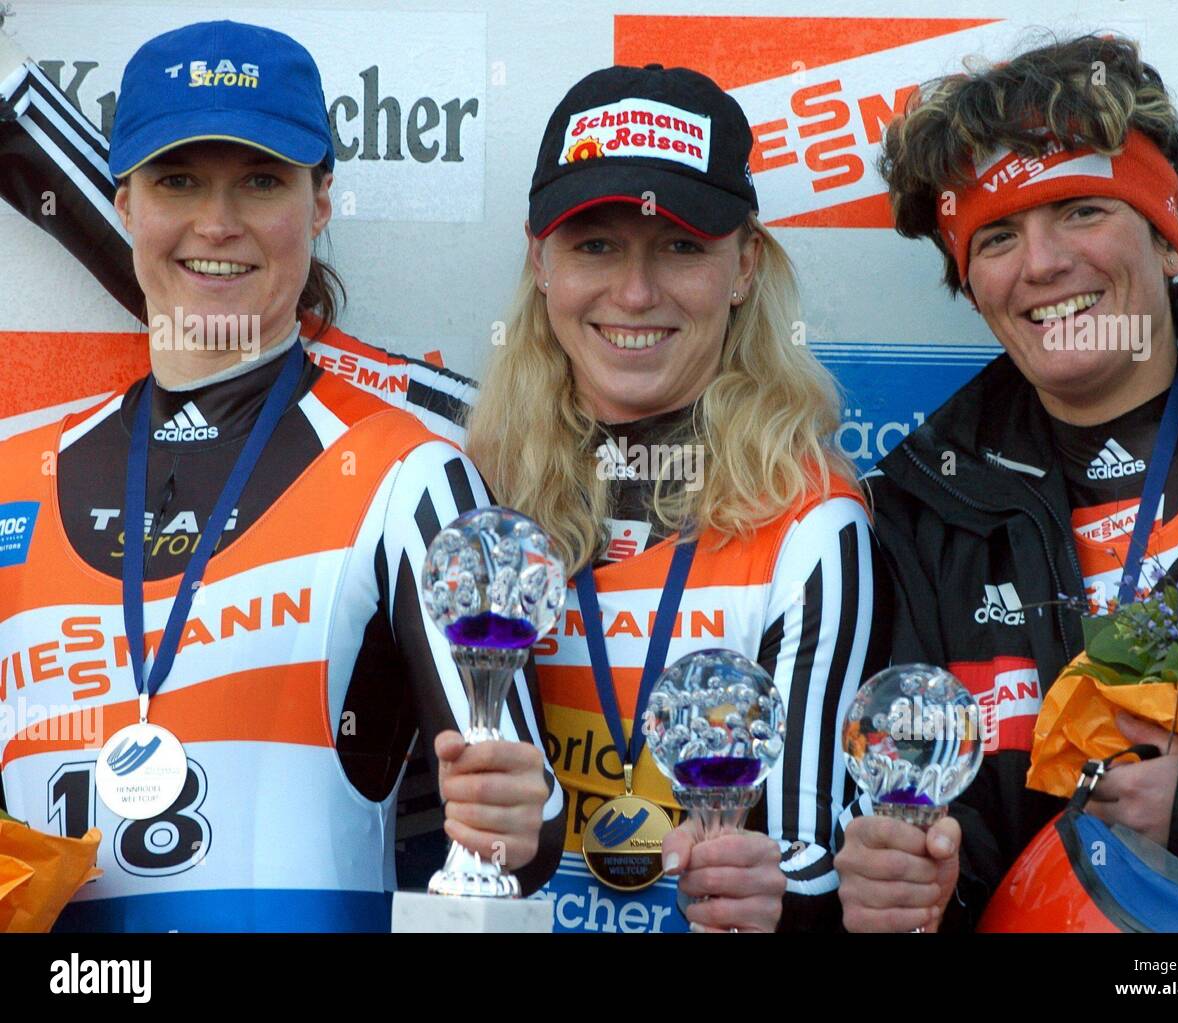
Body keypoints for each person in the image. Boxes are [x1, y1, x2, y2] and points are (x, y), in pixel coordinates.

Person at [0, 20, 563, 931]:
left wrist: (514, 813)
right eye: (178, 180)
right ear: (124, 203)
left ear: (321, 201)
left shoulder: (408, 477)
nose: (217, 223)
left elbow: (524, 831)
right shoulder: (13, 479)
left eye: (261, 181)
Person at [835, 33, 1178, 932]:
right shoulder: (918, 509)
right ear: (973, 285)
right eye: (997, 236)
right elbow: (937, 814)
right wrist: (923, 878)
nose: (1042, 264)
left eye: (1081, 210)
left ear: (1169, 238)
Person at [465, 64, 891, 933]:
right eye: (596, 245)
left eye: (681, 247)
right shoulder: (475, 489)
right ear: (540, 261)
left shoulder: (809, 519)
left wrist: (773, 886)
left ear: (744, 266)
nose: (635, 293)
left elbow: (813, 850)